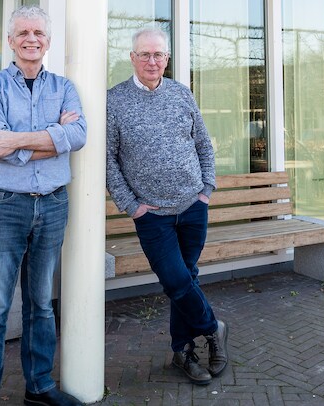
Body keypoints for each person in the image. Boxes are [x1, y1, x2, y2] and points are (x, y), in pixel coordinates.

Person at [0, 5, 86, 406]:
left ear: (48, 41)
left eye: (38, 33)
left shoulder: (64, 87)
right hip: (2, 207)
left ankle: (38, 388)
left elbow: (79, 134)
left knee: (40, 304)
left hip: (52, 205)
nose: (31, 39)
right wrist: (53, 139)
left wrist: (17, 140)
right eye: (23, 33)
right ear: (10, 41)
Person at [105, 26, 227, 386]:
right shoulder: (115, 100)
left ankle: (182, 352)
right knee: (175, 280)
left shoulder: (181, 93)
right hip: (151, 214)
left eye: (158, 55)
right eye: (145, 54)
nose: (152, 61)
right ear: (132, 58)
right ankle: (213, 328)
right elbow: (108, 160)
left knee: (186, 278)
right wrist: (132, 206)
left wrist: (207, 189)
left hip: (193, 206)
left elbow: (204, 144)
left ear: (167, 59)